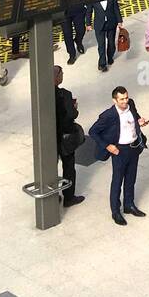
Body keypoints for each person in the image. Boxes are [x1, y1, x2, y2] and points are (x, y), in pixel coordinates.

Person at [88, 87, 149, 226]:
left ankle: (129, 204)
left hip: (133, 147)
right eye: (121, 99)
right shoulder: (109, 115)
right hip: (119, 150)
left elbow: (135, 117)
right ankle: (115, 211)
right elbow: (93, 131)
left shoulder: (131, 104)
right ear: (114, 100)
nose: (125, 101)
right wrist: (108, 145)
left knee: (131, 178)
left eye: (126, 98)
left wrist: (140, 122)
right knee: (117, 181)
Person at [54, 65, 85, 208]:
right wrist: (74, 108)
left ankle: (53, 196)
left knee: (50, 167)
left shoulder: (43, 95)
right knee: (68, 167)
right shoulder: (65, 94)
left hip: (50, 138)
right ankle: (69, 197)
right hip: (65, 137)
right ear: (57, 77)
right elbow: (72, 115)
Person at [88, 0, 125, 73]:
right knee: (101, 44)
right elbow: (89, 11)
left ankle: (110, 56)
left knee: (111, 43)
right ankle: (102, 64)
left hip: (111, 23)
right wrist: (88, 24)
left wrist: (119, 20)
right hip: (99, 25)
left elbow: (116, 8)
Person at [61, 1, 88, 66]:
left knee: (81, 30)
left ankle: (78, 41)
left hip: (78, 8)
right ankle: (72, 54)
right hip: (64, 11)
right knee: (67, 34)